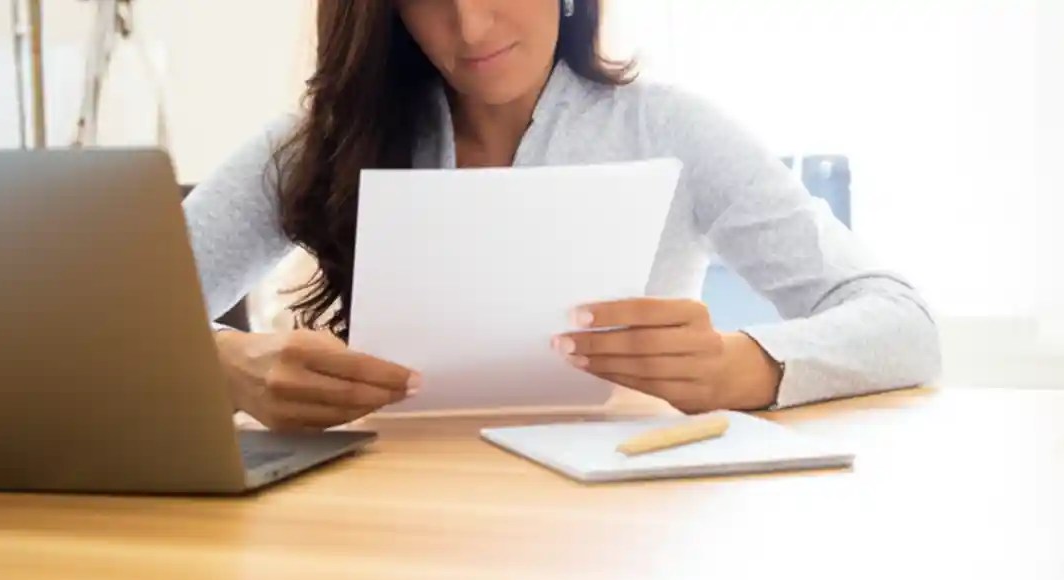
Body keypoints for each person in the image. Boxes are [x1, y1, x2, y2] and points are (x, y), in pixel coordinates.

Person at [184, 0, 940, 431]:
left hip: (609, 540)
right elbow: (89, 329)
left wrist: (741, 365)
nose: (470, 26)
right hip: (388, 532)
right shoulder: (324, 142)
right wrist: (219, 366)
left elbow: (903, 324)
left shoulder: (670, 132)